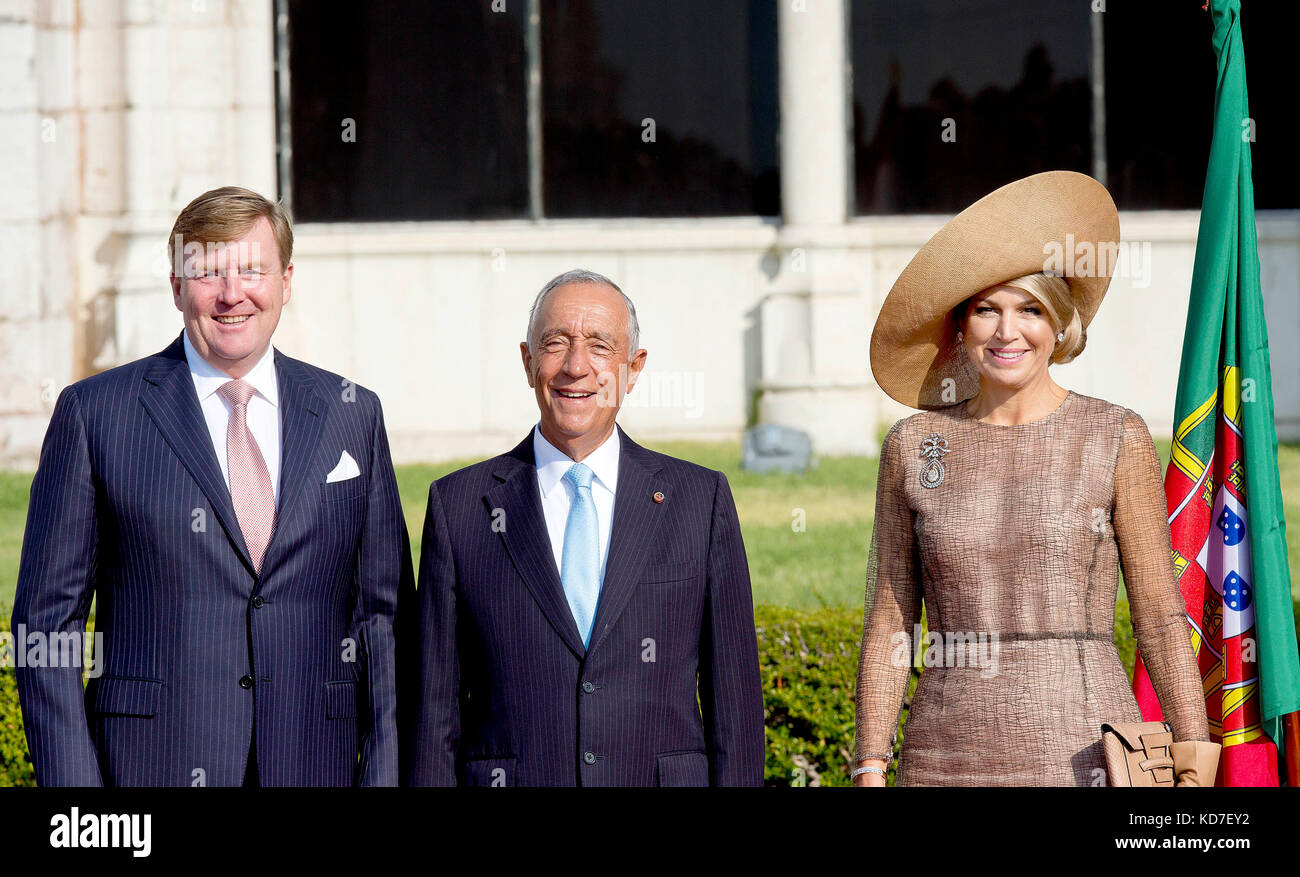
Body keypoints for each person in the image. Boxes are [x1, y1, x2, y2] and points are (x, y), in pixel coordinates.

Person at [12, 186, 412, 786]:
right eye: (208, 273)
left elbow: (383, 620)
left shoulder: (351, 412)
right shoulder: (96, 415)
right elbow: (47, 625)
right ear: (176, 287)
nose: (232, 295)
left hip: (315, 764)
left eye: (252, 269)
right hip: (150, 770)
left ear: (285, 280)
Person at [853, 171, 1220, 786]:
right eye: (985, 310)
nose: (1007, 332)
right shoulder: (914, 445)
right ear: (958, 327)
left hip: (1087, 751)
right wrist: (868, 764)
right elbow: (890, 621)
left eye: (1030, 309)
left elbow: (1158, 613)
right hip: (940, 759)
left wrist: (1192, 758)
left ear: (1059, 326)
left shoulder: (1114, 436)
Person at [407, 269, 764, 786]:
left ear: (633, 368)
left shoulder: (698, 501)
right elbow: (434, 711)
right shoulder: (459, 506)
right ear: (528, 362)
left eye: (600, 346)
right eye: (556, 344)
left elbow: (735, 704)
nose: (576, 367)